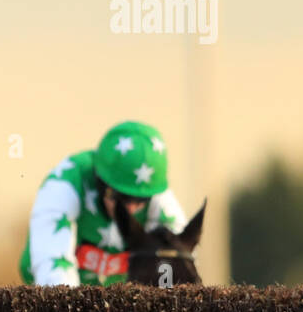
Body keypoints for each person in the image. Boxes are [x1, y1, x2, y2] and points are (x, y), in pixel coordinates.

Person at [20, 121, 187, 286]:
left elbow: (177, 273)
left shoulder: (157, 194)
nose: (131, 208)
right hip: (61, 295)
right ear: (100, 182)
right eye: (121, 198)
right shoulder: (65, 183)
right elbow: (52, 268)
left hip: (119, 300)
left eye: (141, 200)